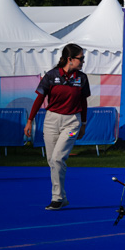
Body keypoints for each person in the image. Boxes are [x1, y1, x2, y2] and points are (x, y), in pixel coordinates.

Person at [23, 44, 90, 210]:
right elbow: (39, 99)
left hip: (73, 121)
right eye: (80, 58)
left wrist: (83, 124)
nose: (83, 61)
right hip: (51, 120)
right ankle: (63, 197)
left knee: (58, 159)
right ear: (70, 59)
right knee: (52, 161)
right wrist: (30, 120)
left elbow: (83, 102)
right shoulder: (51, 76)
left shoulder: (82, 78)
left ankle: (57, 198)